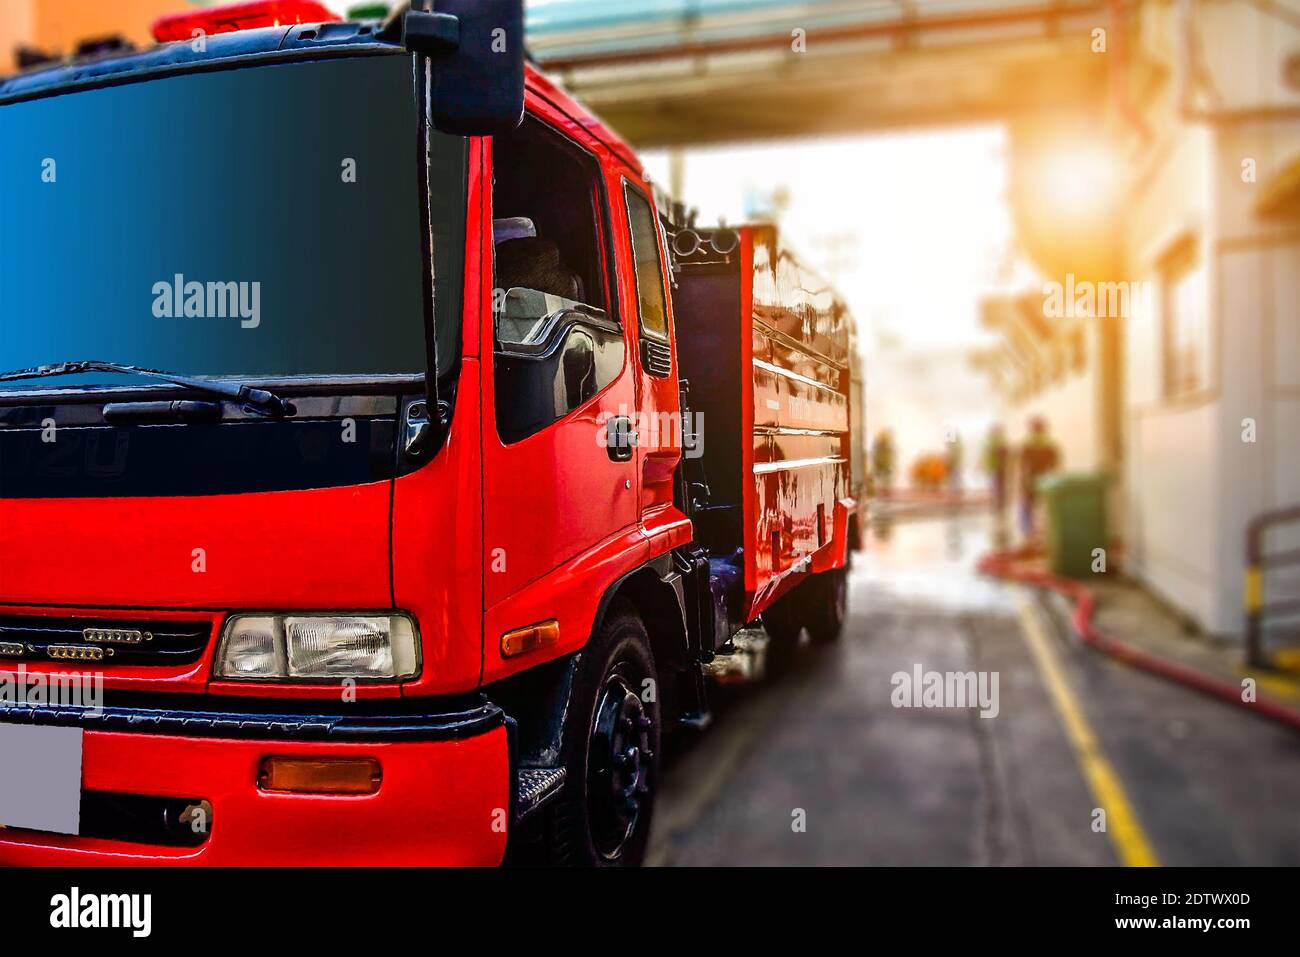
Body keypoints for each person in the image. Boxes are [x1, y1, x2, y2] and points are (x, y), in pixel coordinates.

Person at [1018, 416, 1060, 537]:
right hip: (1046, 479)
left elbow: (1023, 464)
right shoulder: (1050, 443)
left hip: (1031, 478)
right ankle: (1048, 529)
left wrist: (1022, 481)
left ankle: (1028, 531)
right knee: (1046, 504)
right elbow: (1055, 464)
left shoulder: (1027, 443)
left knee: (1027, 505)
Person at [981, 424, 1009, 515]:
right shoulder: (994, 441)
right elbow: (987, 454)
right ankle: (998, 502)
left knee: (998, 486)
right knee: (996, 485)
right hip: (995, 467)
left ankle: (999, 503)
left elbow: (1002, 453)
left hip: (998, 467)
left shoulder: (998, 441)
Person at [871, 429, 895, 498]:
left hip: (885, 465)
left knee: (886, 479)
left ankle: (885, 491)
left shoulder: (887, 448)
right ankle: (882, 491)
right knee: (882, 479)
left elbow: (890, 456)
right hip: (881, 465)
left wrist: (890, 464)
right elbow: (876, 456)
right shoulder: (879, 448)